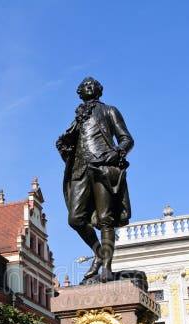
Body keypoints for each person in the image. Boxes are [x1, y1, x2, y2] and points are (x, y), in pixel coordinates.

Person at [56, 77, 134, 283]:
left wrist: (116, 152)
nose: (88, 87)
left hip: (102, 167)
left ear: (98, 90)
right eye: (84, 85)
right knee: (75, 218)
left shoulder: (109, 111)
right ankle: (99, 253)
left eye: (92, 85)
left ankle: (107, 267)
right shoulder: (78, 118)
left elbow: (127, 139)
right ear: (80, 92)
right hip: (80, 170)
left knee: (105, 217)